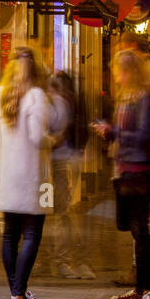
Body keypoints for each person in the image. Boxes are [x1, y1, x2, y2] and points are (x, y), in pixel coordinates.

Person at [0, 48, 56, 299]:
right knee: (32, 233)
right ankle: (18, 295)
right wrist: (54, 139)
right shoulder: (37, 96)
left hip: (8, 175)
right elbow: (38, 138)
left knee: (10, 235)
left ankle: (17, 292)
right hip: (35, 177)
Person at [98, 51, 150, 299]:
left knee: (140, 228)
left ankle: (149, 291)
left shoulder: (146, 97)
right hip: (125, 167)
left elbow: (146, 134)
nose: (116, 77)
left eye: (119, 72)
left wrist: (113, 131)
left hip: (141, 170)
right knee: (131, 227)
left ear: (129, 71)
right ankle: (139, 288)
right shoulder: (128, 95)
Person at [48, 71, 95, 279]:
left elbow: (59, 134)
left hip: (58, 161)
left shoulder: (58, 103)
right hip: (62, 160)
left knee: (62, 212)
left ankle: (64, 259)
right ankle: (65, 259)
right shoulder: (63, 102)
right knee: (62, 211)